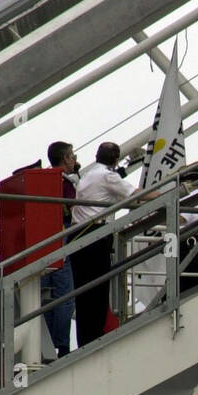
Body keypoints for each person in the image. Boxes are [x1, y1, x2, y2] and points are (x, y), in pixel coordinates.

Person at [68, 141, 131, 347]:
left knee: (83, 293)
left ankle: (85, 340)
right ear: (116, 159)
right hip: (95, 236)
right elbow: (135, 194)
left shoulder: (87, 175)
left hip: (78, 236)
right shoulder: (108, 176)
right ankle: (94, 339)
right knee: (98, 292)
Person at [41, 140, 78, 357]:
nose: (74, 160)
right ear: (65, 158)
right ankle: (61, 346)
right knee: (65, 295)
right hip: (61, 236)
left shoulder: (43, 179)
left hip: (41, 240)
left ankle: (47, 346)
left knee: (44, 294)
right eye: (72, 156)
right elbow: (75, 210)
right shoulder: (66, 181)